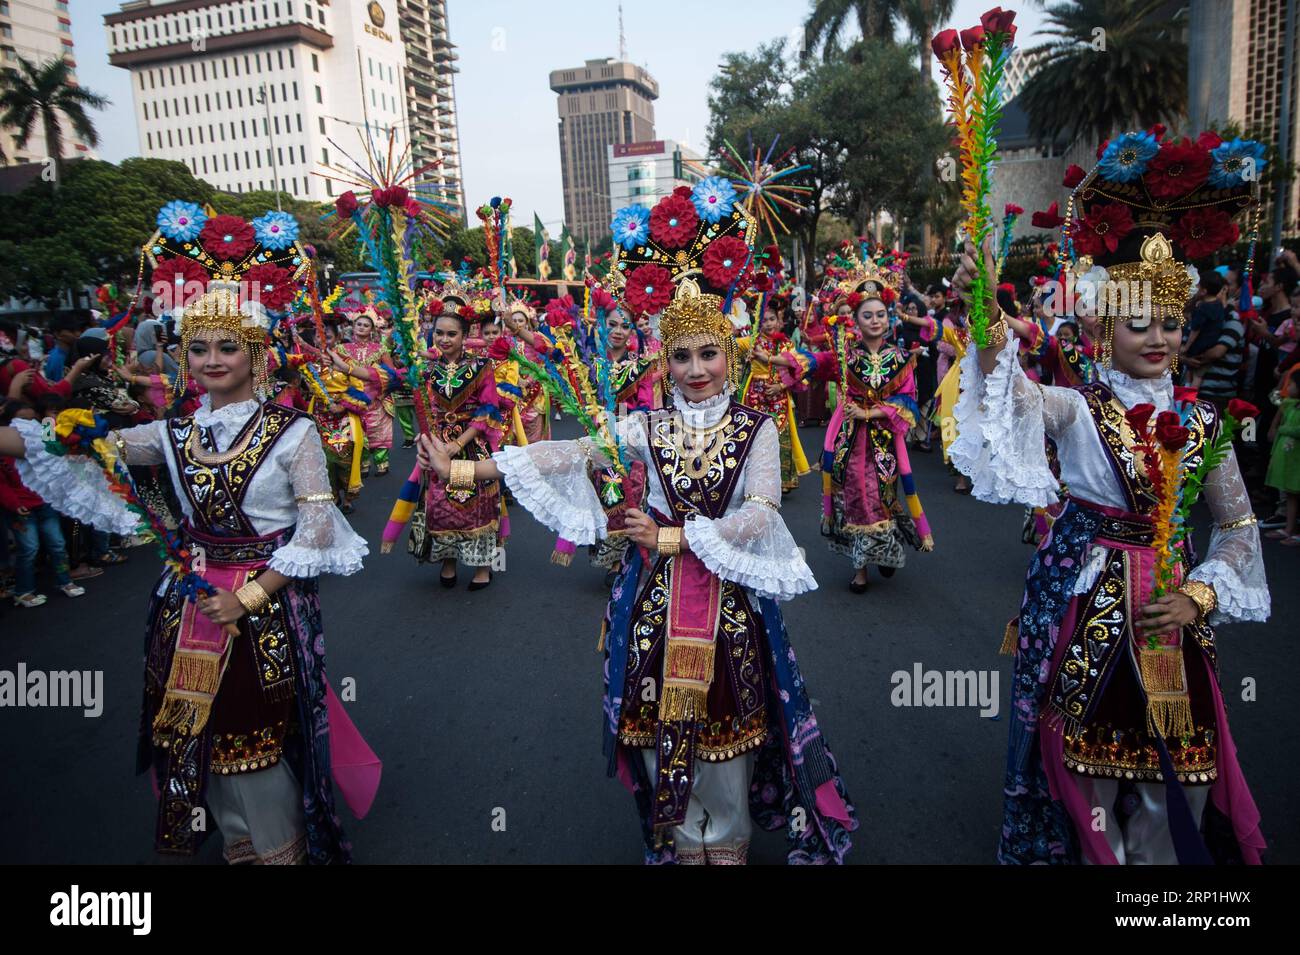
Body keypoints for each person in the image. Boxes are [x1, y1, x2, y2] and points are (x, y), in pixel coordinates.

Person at [418, 185, 857, 864]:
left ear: (729, 356)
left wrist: (673, 537)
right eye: (681, 357)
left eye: (708, 354)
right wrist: (464, 472)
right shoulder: (642, 427)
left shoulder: (756, 428)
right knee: (657, 732)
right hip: (652, 602)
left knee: (730, 731)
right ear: (665, 363)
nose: (696, 369)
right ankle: (685, 843)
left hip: (730, 605)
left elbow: (762, 512)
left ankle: (728, 842)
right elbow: (568, 452)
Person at [0, 206, 377, 864]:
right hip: (187, 606)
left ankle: (278, 846)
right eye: (197, 347)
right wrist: (54, 432)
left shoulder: (294, 433)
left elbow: (317, 531)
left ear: (256, 352)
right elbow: (59, 450)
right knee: (194, 729)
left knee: (257, 729)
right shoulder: (169, 435)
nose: (210, 359)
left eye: (227, 346)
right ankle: (237, 843)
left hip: (264, 606)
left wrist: (246, 598)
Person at [950, 128, 1270, 865]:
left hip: (1171, 618)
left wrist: (1201, 596)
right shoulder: (1077, 406)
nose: (1158, 336)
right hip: (1086, 608)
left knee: (1179, 784)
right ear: (1102, 325)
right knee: (1085, 774)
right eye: (1139, 322)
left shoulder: (1203, 421)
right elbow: (1012, 394)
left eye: (1170, 322)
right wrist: (985, 313)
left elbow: (1240, 526)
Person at [807, 259, 937, 593]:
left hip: (884, 443)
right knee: (857, 497)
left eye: (880, 314)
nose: (875, 320)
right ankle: (861, 568)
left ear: (888, 317)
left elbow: (909, 401)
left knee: (883, 496)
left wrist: (872, 414)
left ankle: (885, 551)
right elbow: (815, 363)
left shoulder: (898, 357)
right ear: (856, 319)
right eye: (868, 315)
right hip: (851, 442)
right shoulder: (844, 353)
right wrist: (786, 361)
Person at [405, 308, 504, 590]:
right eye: (439, 333)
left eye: (452, 334)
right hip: (438, 444)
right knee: (441, 503)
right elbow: (425, 410)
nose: (444, 339)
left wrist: (457, 444)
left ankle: (483, 567)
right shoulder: (426, 370)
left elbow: (488, 410)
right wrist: (425, 440)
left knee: (475, 503)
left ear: (464, 337)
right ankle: (448, 561)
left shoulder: (481, 366)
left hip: (470, 443)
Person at [0, 398, 85, 606]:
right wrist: (13, 503)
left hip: (45, 503)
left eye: (32, 421)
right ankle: (24, 591)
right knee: (29, 549)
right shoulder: (5, 450)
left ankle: (64, 581)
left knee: (57, 544)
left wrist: (48, 421)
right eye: (21, 421)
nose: (28, 426)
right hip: (21, 509)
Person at [738, 297, 811, 493]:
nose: (768, 324)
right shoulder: (751, 342)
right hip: (755, 395)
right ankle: (755, 480)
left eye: (772, 319)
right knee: (754, 437)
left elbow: (801, 365)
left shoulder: (786, 344)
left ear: (779, 320)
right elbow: (728, 345)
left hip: (779, 396)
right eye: (764, 320)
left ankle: (783, 480)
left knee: (780, 436)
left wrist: (780, 386)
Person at [333, 308, 396, 476]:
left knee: (379, 430)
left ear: (372, 329)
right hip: (353, 396)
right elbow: (335, 371)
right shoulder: (342, 349)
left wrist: (380, 391)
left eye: (365, 325)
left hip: (377, 397)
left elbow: (391, 373)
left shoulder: (380, 349)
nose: (361, 327)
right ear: (353, 327)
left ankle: (382, 462)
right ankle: (364, 463)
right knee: (358, 430)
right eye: (359, 324)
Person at [1264, 368, 1300, 545]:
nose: (1288, 387)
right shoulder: (1291, 403)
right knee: (1291, 493)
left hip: (1297, 458)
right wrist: (1281, 382)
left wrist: (1282, 429)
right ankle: (1289, 528)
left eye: (1291, 384)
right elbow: (1274, 398)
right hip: (1288, 456)